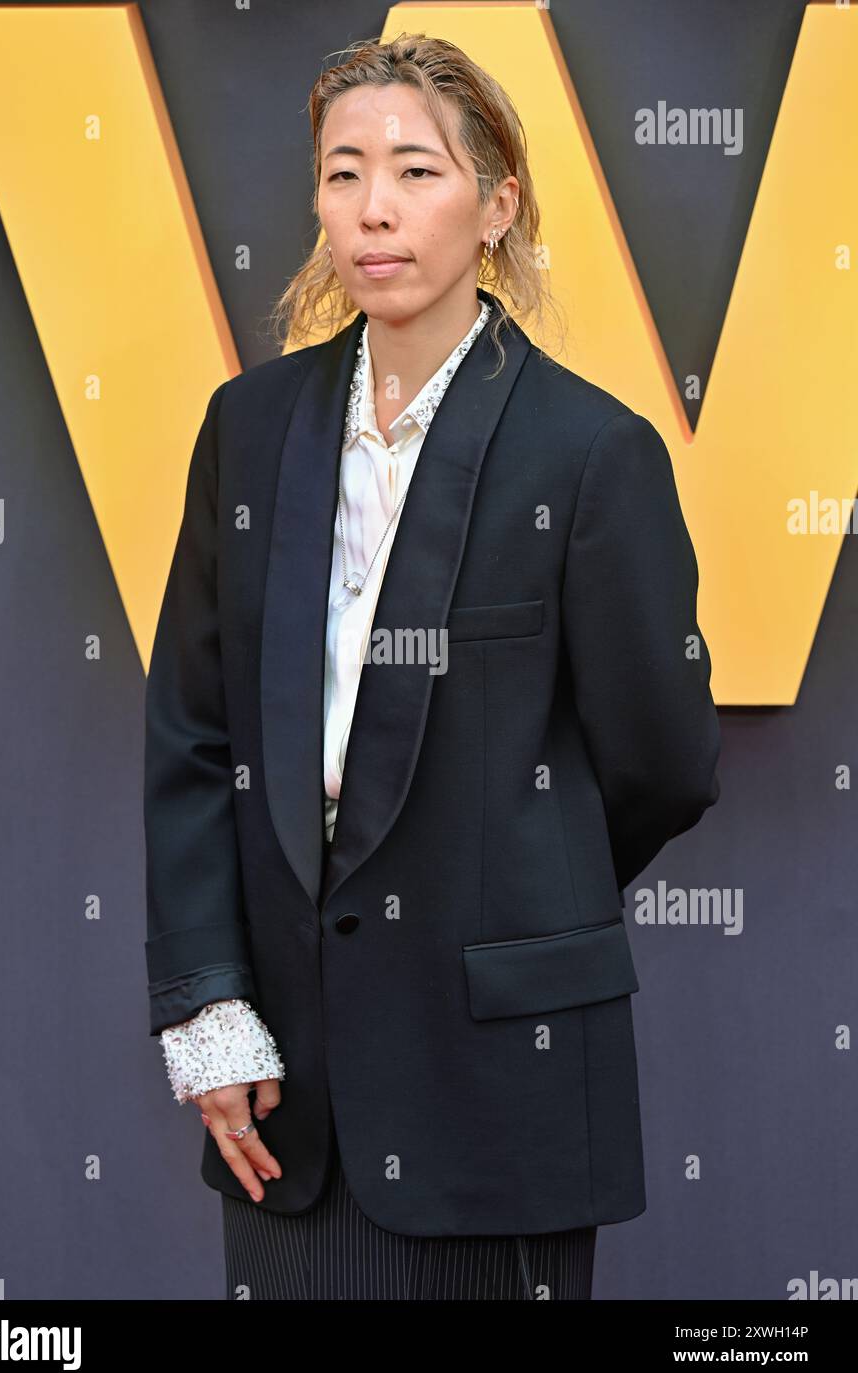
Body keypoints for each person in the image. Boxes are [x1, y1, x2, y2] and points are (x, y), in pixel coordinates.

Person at [143, 32, 721, 1301]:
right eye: (343, 173)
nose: (376, 210)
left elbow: (665, 760)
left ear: (497, 204)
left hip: (498, 1079)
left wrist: (504, 865)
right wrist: (208, 1006)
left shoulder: (589, 452)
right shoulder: (248, 430)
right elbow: (193, 733)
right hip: (287, 1098)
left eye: (415, 170)